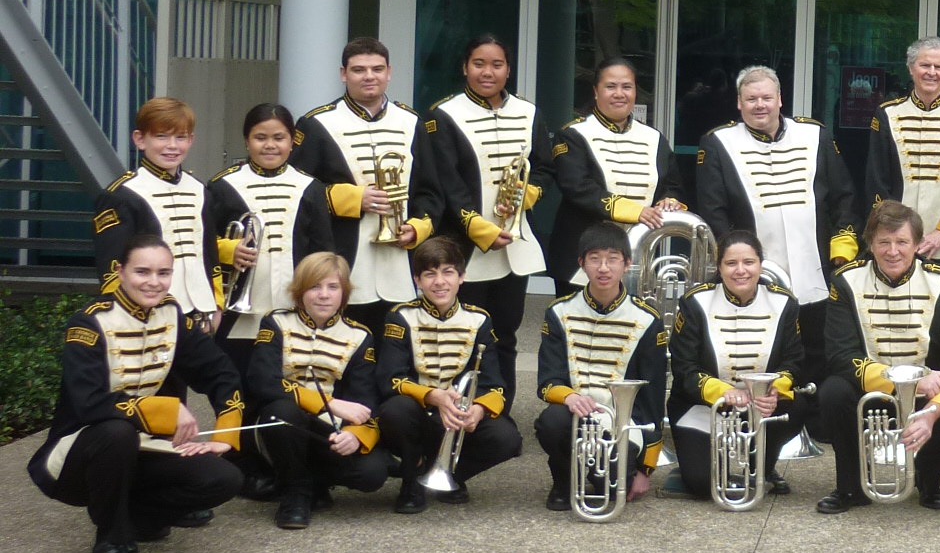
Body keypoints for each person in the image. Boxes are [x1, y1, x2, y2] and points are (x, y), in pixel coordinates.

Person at [26, 235, 244, 553]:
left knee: (223, 478)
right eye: (142, 272)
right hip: (79, 453)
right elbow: (90, 403)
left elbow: (220, 372)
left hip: (140, 446)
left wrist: (225, 434)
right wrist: (167, 410)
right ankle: (111, 543)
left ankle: (137, 519)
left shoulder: (171, 314)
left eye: (163, 273)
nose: (153, 282)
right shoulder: (89, 323)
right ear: (120, 271)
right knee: (117, 432)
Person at [814, 200, 940, 514]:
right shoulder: (845, 281)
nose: (893, 251)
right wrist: (908, 381)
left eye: (902, 242)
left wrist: (931, 413)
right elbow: (840, 355)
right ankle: (850, 486)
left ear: (917, 244)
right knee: (833, 392)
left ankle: (928, 478)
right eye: (884, 242)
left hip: (925, 396)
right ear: (870, 244)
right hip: (870, 390)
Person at [205, 102, 334, 500]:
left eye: (279, 137)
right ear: (247, 140)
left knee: (287, 393)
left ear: (292, 141)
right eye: (260, 137)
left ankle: (295, 467)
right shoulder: (223, 185)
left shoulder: (310, 187)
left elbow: (324, 252)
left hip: (294, 315)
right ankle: (244, 465)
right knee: (238, 392)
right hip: (239, 312)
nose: (270, 145)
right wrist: (227, 250)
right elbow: (201, 244)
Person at [697, 65, 860, 373]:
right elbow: (713, 211)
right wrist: (738, 264)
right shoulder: (718, 142)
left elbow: (844, 196)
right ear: (739, 103)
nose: (760, 105)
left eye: (766, 98)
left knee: (819, 357)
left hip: (816, 270)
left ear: (780, 99)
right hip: (755, 276)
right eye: (751, 99)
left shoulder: (814, 134)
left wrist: (842, 248)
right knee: (767, 355)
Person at [428, 34, 551, 403]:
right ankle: (460, 408)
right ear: (465, 67)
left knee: (506, 334)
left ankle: (499, 409)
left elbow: (545, 167)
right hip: (465, 245)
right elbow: (446, 182)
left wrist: (526, 194)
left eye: (497, 64)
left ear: (508, 70)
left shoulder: (529, 112)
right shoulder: (444, 115)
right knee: (463, 333)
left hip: (514, 244)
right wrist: (479, 229)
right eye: (479, 64)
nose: (488, 72)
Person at [291, 37, 441, 332]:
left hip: (399, 264)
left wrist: (417, 228)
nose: (369, 76)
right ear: (343, 74)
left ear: (389, 72)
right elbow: (297, 192)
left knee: (397, 349)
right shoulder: (316, 124)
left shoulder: (411, 121)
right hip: (343, 261)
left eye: (377, 69)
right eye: (359, 70)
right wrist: (349, 199)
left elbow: (430, 191)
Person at [665, 229, 819, 502]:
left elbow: (794, 361)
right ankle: (703, 464)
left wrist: (774, 390)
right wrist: (724, 392)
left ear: (760, 264)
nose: (741, 271)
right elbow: (684, 368)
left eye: (749, 262)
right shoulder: (694, 302)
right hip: (703, 407)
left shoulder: (784, 302)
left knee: (796, 405)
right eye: (731, 263)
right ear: (719, 267)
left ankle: (761, 466)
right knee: (702, 484)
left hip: (759, 405)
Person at [376, 235, 523, 514]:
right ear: (417, 280)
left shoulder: (479, 319)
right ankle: (411, 479)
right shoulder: (401, 316)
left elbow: (495, 385)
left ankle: (450, 473)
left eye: (448, 272)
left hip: (457, 415)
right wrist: (433, 396)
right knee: (395, 411)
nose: (440, 282)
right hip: (418, 412)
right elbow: (389, 379)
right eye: (430, 274)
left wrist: (478, 410)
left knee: (507, 439)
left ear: (461, 277)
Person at [247, 252, 391, 529]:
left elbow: (365, 399)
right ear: (300, 291)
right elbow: (262, 381)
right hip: (282, 424)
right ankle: (295, 493)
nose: (324, 295)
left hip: (326, 430)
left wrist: (355, 435)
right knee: (282, 412)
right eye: (315, 287)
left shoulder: (359, 335)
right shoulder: (276, 322)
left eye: (333, 287)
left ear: (344, 292)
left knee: (372, 474)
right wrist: (328, 403)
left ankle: (316, 482)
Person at [533, 223, 668, 513]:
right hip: (574, 414)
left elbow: (653, 396)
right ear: (582, 263)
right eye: (594, 259)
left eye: (612, 259)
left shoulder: (647, 318)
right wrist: (569, 397)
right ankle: (563, 481)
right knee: (551, 422)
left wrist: (646, 468)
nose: (603, 268)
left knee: (610, 488)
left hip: (621, 423)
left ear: (627, 264)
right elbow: (548, 380)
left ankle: (604, 471)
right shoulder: (559, 311)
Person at [547, 56, 689, 294]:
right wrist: (636, 211)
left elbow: (672, 184)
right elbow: (578, 188)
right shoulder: (573, 134)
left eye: (627, 87)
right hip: (580, 257)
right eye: (610, 86)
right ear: (596, 91)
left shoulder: (654, 138)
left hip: (637, 257)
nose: (619, 94)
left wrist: (669, 200)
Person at [94, 96, 219, 327]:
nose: (172, 146)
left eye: (180, 137)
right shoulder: (121, 195)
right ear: (139, 139)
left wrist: (216, 304)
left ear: (191, 140)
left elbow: (209, 254)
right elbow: (111, 268)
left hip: (201, 313)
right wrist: (127, 317)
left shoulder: (200, 189)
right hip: (147, 315)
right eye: (161, 136)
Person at [866, 36, 940, 265]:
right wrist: (891, 233)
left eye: (939, 67)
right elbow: (876, 178)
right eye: (925, 65)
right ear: (911, 68)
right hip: (893, 242)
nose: (932, 72)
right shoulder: (886, 114)